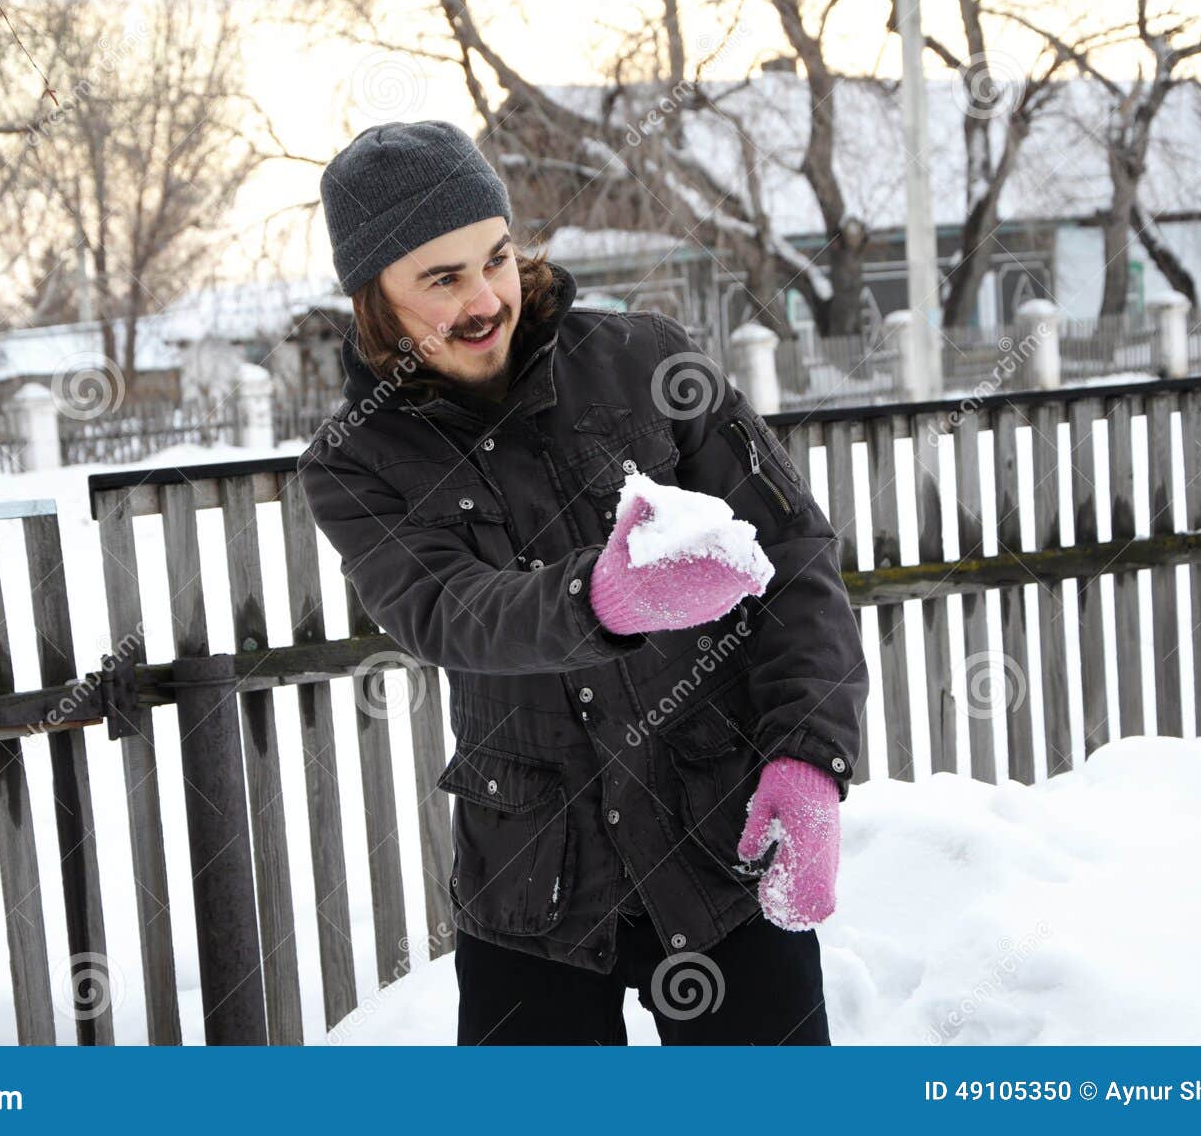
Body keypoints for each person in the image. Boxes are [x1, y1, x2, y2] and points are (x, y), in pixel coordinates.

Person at [298, 119, 868, 1045]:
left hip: (717, 841)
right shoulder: (354, 460)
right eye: (442, 279)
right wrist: (596, 599)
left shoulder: (646, 360)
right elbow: (444, 609)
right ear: (375, 298)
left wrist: (810, 753)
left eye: (495, 257)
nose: (486, 298)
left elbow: (794, 554)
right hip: (534, 881)